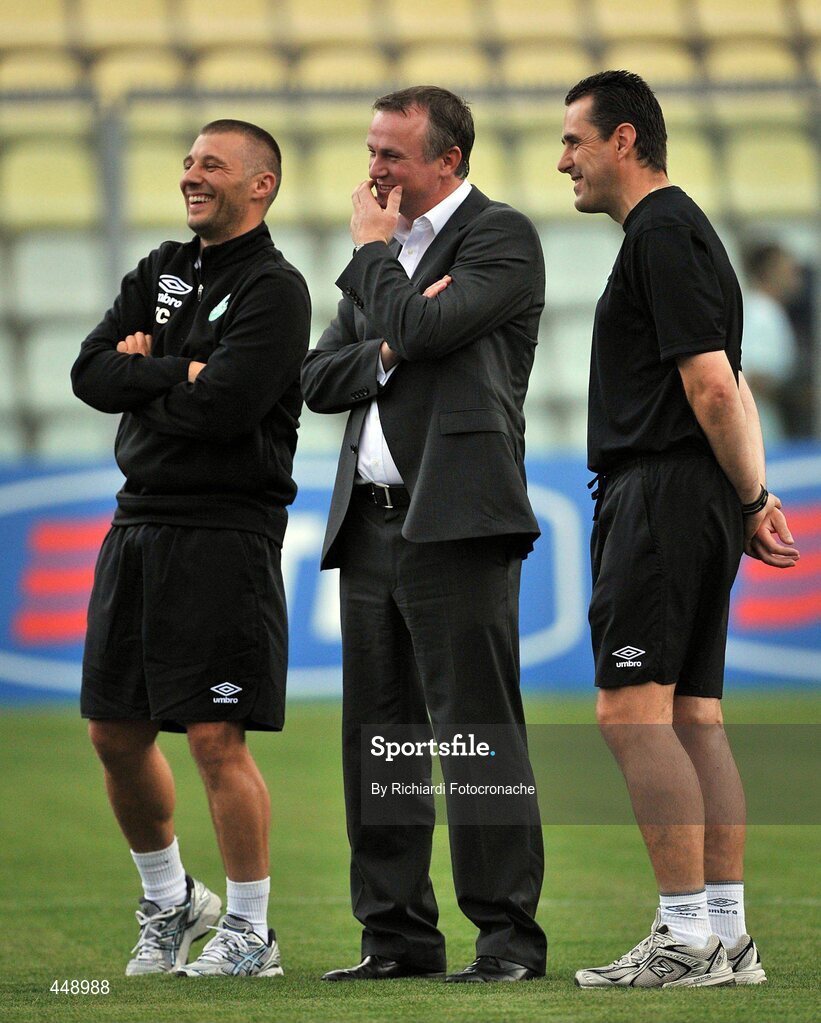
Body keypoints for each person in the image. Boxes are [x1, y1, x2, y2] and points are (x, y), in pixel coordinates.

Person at [557, 70, 801, 989]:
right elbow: (728, 383)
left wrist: (751, 497)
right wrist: (747, 498)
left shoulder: (660, 232)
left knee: (631, 712)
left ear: (623, 139)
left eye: (574, 141)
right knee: (695, 716)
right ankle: (725, 937)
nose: (563, 160)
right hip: (692, 493)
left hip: (659, 492)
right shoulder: (684, 231)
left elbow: (712, 386)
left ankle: (684, 935)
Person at [301, 86, 547, 984]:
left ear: (447, 160)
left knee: (475, 735)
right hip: (368, 527)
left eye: (392, 154)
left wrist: (378, 266)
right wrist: (390, 346)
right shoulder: (389, 255)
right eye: (371, 150)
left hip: (456, 520)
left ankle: (506, 941)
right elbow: (317, 379)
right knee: (382, 740)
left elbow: (424, 323)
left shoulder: (499, 236)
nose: (374, 169)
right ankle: (397, 936)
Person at [71, 119, 310, 978]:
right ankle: (171, 899)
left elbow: (228, 408)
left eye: (212, 163)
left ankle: (250, 930)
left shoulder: (276, 289)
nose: (191, 175)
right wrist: (180, 371)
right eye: (187, 162)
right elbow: (89, 372)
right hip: (137, 521)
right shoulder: (160, 269)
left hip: (224, 531)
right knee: (114, 731)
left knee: (214, 735)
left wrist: (143, 373)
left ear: (260, 184)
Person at [740, 242, 802, 443]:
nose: (796, 278)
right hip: (760, 421)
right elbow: (756, 376)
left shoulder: (761, 307)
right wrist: (800, 396)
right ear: (769, 271)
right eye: (789, 270)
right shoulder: (763, 312)